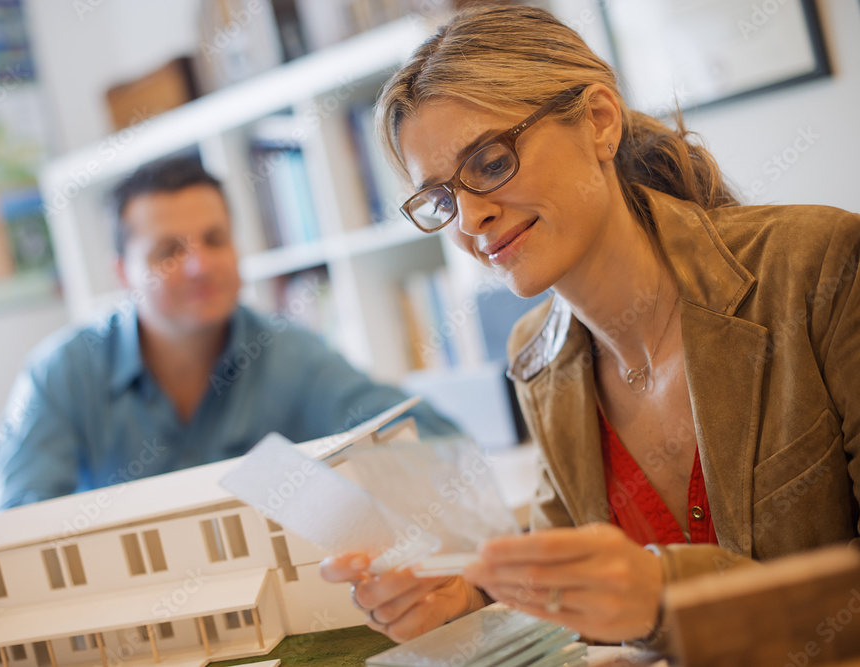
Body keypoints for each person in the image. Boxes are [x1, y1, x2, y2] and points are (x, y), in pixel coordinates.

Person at [320, 4, 859, 649]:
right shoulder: (539, 360)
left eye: (491, 163)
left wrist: (666, 596)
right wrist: (467, 596)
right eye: (441, 199)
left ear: (599, 122)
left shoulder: (815, 264)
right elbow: (565, 577)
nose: (469, 221)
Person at [0, 157, 458, 513]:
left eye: (215, 239)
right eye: (169, 250)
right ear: (123, 273)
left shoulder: (288, 354)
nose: (200, 265)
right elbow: (8, 524)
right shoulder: (61, 372)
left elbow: (432, 444)